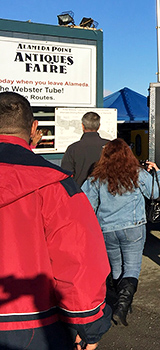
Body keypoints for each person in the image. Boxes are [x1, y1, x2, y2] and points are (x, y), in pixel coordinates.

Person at [0, 92, 111, 350]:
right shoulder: (55, 185)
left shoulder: (59, 176)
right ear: (33, 127)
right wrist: (87, 323)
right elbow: (78, 256)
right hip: (35, 323)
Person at [81, 139, 159, 327]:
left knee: (116, 268)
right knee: (132, 267)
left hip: (107, 228)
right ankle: (122, 306)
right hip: (133, 226)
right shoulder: (137, 173)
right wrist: (156, 172)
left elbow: (87, 204)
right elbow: (155, 193)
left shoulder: (96, 177)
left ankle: (121, 303)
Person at [61, 111, 110, 187]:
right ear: (99, 126)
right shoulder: (110, 146)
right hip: (106, 192)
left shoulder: (73, 148)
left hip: (80, 193)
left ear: (82, 126)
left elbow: (66, 175)